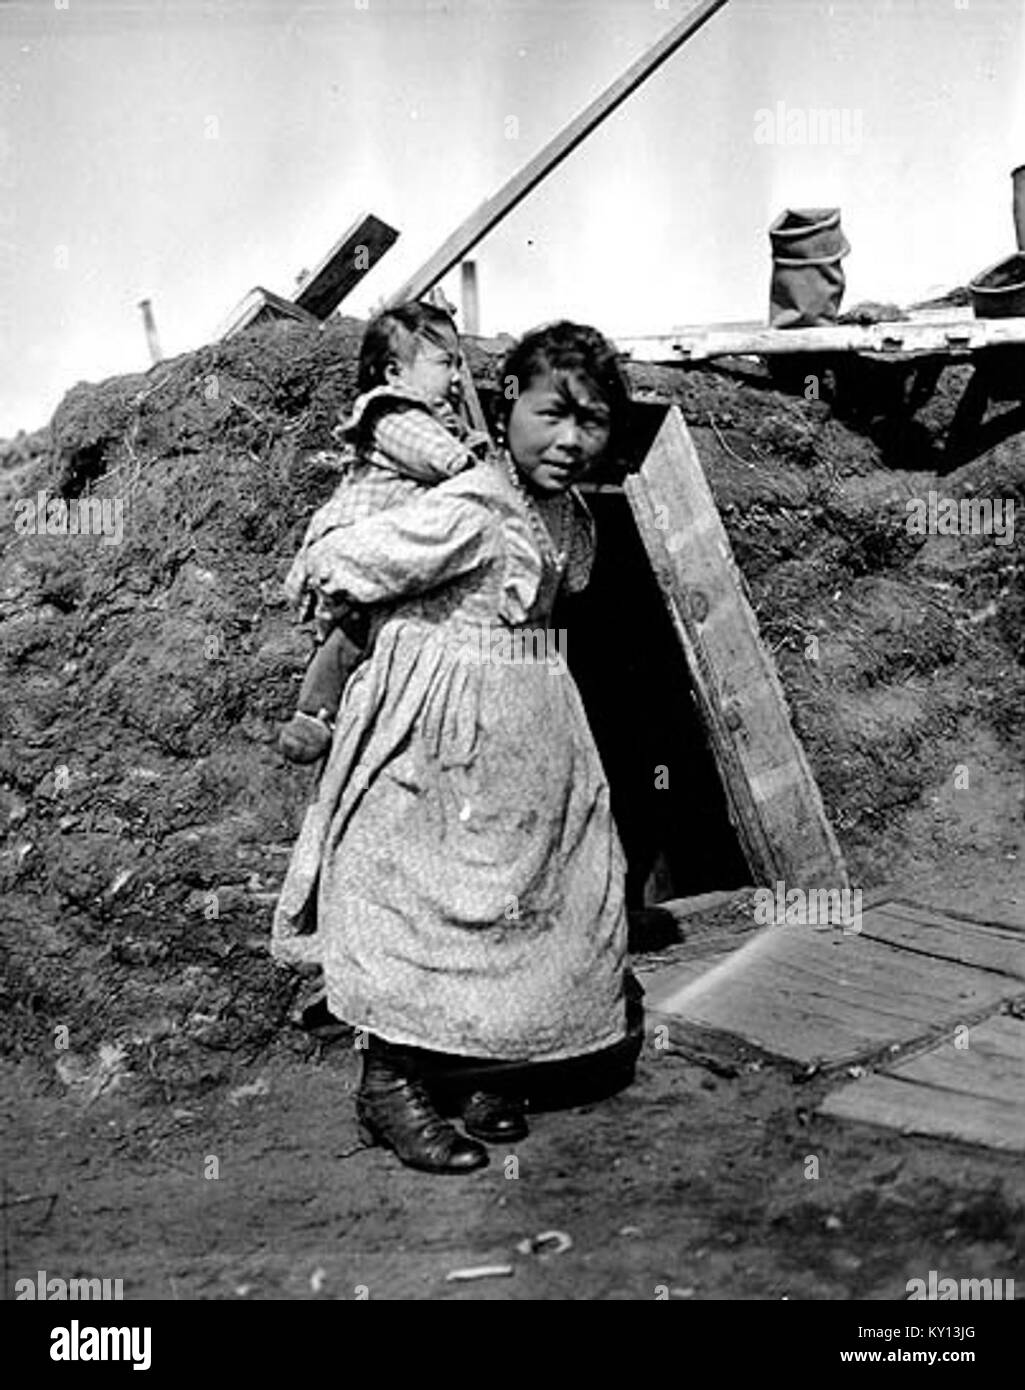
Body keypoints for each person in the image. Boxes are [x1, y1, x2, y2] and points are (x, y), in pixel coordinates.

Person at [272, 321, 637, 1174]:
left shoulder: (570, 516)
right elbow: (340, 560)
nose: (571, 439)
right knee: (421, 898)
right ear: (509, 404)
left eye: (592, 423)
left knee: (527, 894)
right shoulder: (473, 502)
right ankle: (389, 1084)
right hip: (434, 729)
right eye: (553, 415)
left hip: (530, 726)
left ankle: (483, 1062)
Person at [278, 300, 489, 764]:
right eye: (444, 363)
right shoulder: (391, 415)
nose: (456, 378)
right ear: (395, 373)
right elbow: (448, 463)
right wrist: (489, 474)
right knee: (353, 630)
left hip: (394, 551)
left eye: (458, 364)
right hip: (361, 541)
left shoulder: (432, 418)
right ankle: (313, 713)